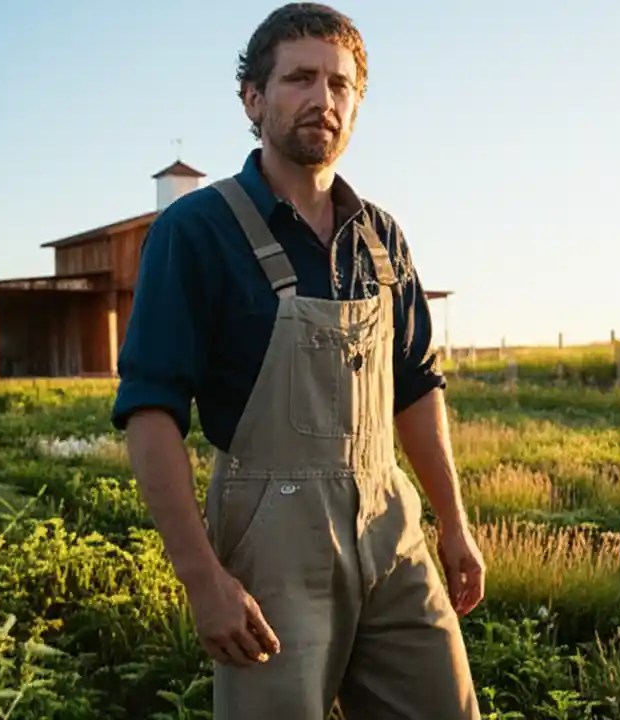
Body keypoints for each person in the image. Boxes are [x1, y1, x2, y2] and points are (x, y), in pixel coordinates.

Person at [110, 4, 484, 718]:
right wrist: (202, 579)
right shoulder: (196, 231)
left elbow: (415, 386)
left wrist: (453, 521)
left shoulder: (380, 237)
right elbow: (151, 410)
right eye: (299, 79)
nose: (323, 100)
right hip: (271, 542)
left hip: (391, 525)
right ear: (253, 99)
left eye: (340, 84)